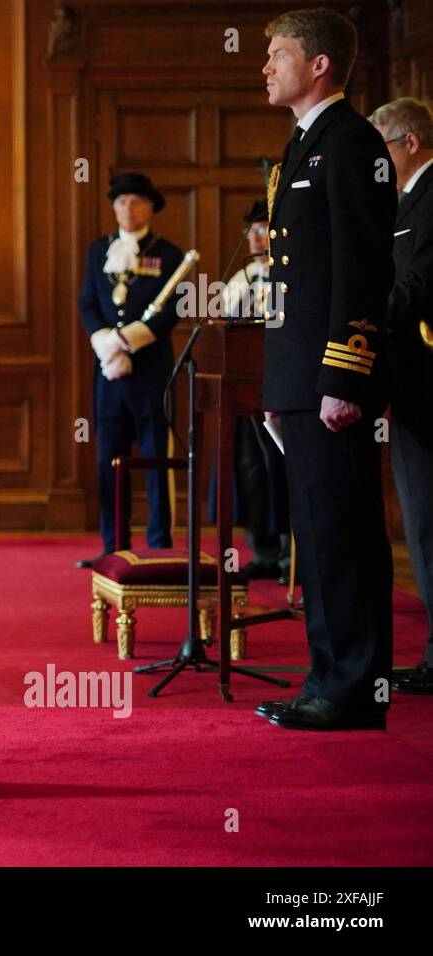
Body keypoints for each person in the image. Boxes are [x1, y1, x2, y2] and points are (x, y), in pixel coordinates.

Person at [255, 8, 395, 730]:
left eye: (278, 54)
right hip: (301, 378)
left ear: (319, 64)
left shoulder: (351, 141)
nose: (265, 67)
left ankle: (352, 688)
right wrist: (281, 384)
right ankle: (328, 678)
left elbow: (363, 270)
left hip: (330, 379)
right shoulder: (303, 144)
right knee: (319, 533)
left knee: (343, 535)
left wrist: (343, 376)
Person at [75, 172, 184, 568]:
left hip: (151, 373)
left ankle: (159, 545)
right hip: (109, 373)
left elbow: (172, 310)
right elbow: (88, 303)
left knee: (156, 458)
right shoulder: (98, 251)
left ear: (150, 208)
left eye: (137, 201)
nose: (128, 208)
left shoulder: (169, 254)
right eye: (121, 202)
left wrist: (128, 340)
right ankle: (113, 546)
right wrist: (105, 342)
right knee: (110, 459)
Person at [370, 97, 433, 695]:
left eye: (381, 147)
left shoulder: (429, 196)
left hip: (426, 381)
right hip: (412, 377)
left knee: (427, 517)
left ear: (409, 142)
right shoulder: (407, 198)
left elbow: (415, 288)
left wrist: (352, 311)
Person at [220, 199, 291, 583]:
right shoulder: (241, 279)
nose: (256, 237)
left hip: (281, 387)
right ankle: (262, 549)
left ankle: (289, 554)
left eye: (263, 229)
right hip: (244, 388)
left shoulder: (290, 272)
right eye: (251, 230)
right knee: (250, 469)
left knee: (281, 467)